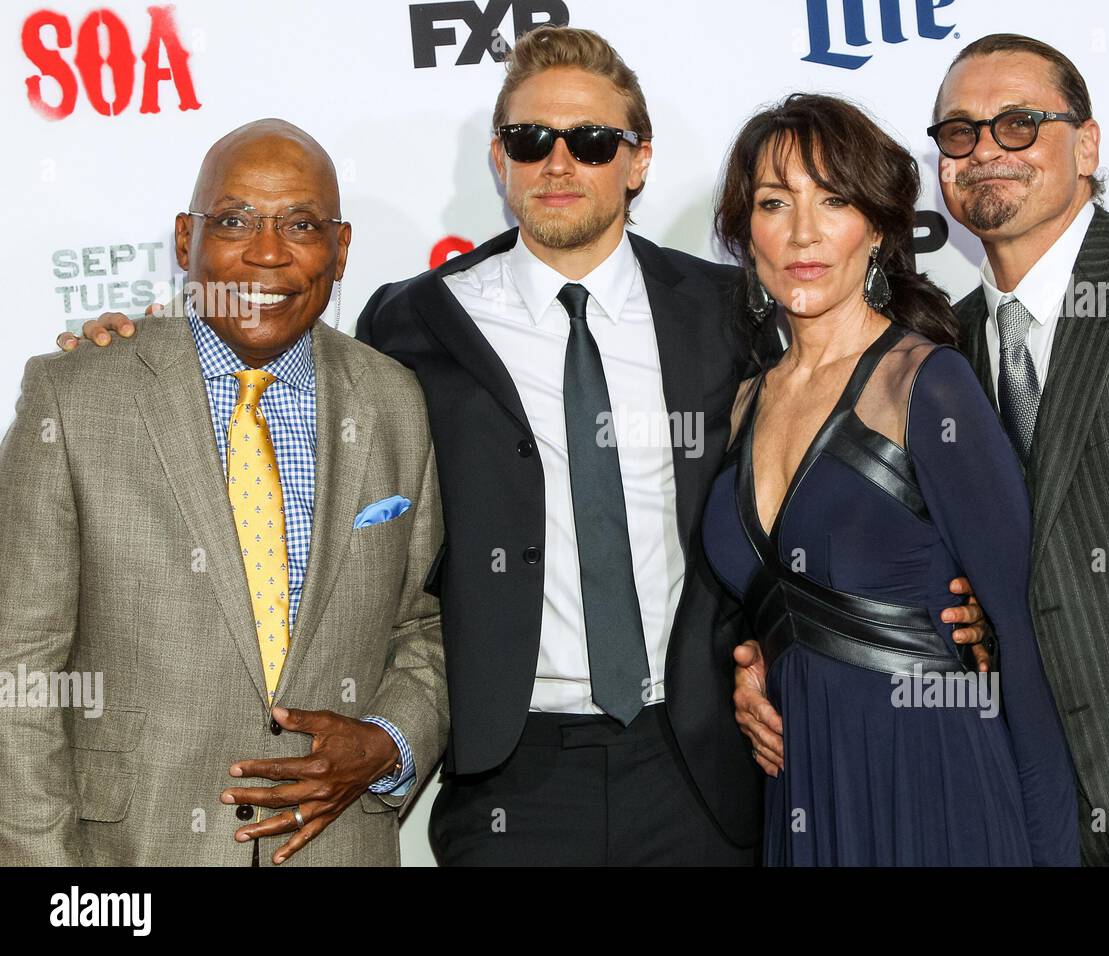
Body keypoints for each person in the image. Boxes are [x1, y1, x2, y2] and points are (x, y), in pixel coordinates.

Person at [62, 27, 991, 866]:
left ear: (638, 162)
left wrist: (836, 641)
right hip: (510, 774)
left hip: (704, 763)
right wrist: (157, 348)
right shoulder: (413, 319)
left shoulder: (727, 311)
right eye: (529, 140)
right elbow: (280, 386)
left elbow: (818, 479)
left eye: (591, 142)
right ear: (497, 158)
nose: (559, 162)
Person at [739, 34, 1109, 867]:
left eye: (1019, 123)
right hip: (1003, 795)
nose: (986, 149)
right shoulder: (938, 348)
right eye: (959, 133)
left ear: (1089, 144)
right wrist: (769, 659)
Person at [1, 119, 448, 866]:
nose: (267, 253)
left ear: (339, 251)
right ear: (185, 242)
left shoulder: (395, 401)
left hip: (335, 847)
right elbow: (18, 666)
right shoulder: (77, 396)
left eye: (301, 225)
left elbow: (429, 624)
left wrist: (388, 739)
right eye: (234, 221)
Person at [704, 93, 1078, 866]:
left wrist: (1052, 854)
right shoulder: (744, 401)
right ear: (747, 232)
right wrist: (753, 663)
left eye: (834, 200)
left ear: (875, 228)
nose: (803, 232)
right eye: (776, 203)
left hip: (936, 784)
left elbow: (1024, 634)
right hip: (804, 789)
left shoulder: (925, 384)